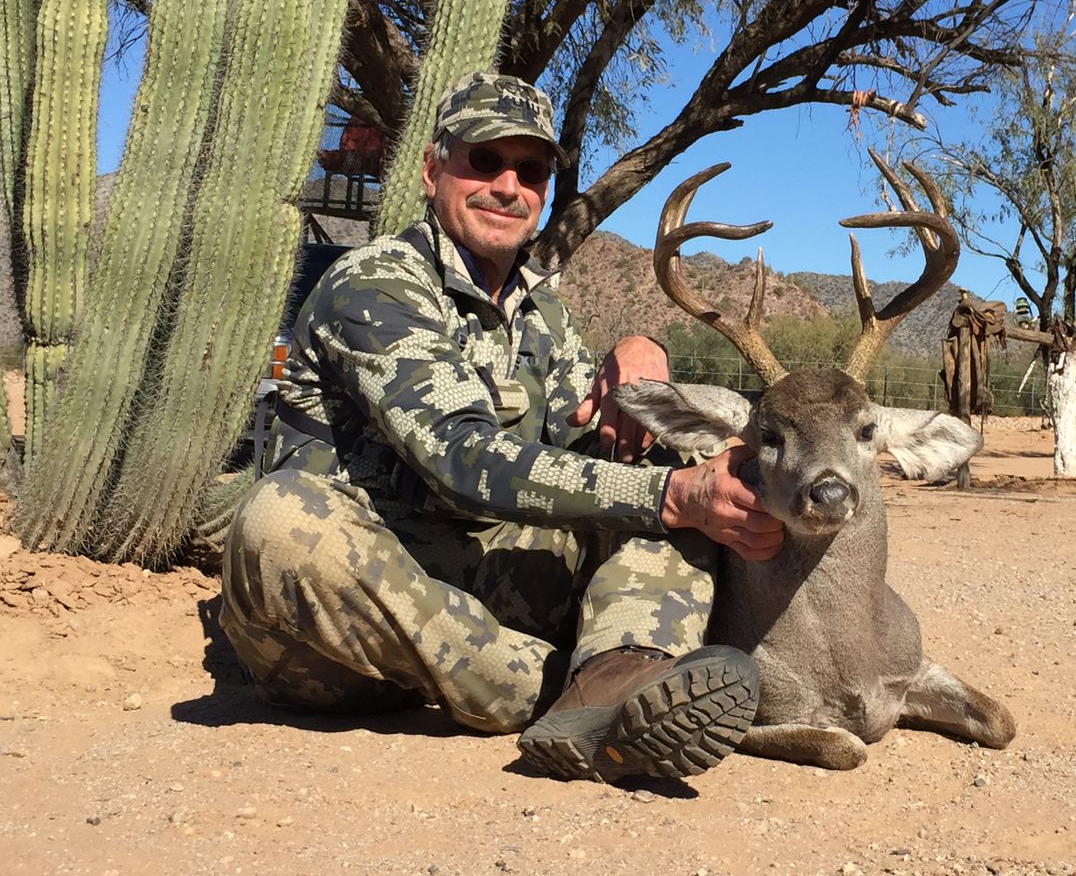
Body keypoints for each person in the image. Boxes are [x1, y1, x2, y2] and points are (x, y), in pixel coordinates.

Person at [220, 70, 784, 783]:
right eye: (484, 161)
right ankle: (562, 689)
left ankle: (621, 668)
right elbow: (460, 455)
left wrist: (642, 357)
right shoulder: (376, 283)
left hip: (480, 574)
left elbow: (592, 440)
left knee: (664, 469)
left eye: (533, 171)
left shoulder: (541, 310)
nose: (509, 185)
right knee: (278, 522)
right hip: (356, 616)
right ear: (431, 170)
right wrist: (669, 493)